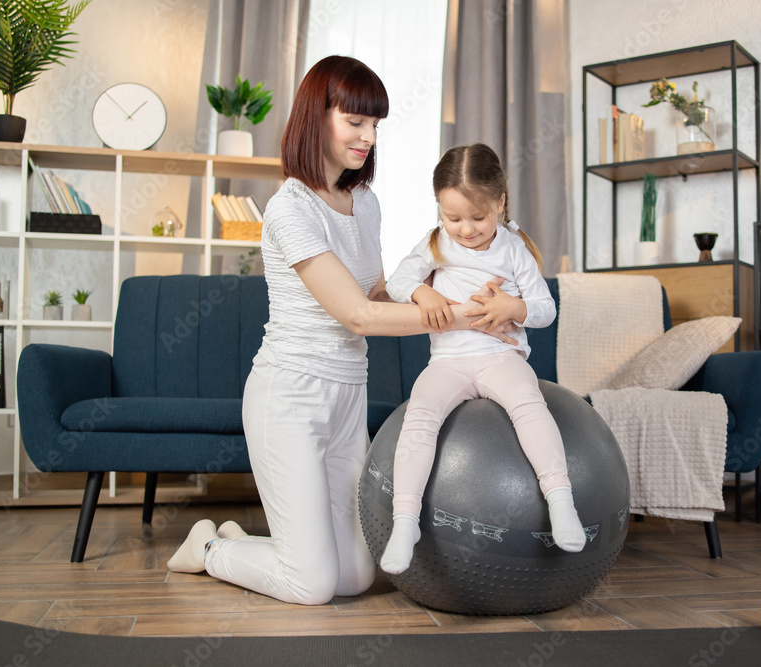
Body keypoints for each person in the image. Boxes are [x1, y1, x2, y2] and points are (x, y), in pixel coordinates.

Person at [167, 56, 510, 604]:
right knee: (312, 586)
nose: (368, 137)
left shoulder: (364, 203)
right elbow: (357, 315)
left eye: (375, 125)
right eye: (356, 122)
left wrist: (425, 290)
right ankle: (211, 548)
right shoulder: (289, 209)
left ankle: (250, 546)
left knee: (358, 576)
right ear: (316, 116)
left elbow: (376, 290)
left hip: (347, 399)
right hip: (289, 397)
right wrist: (465, 314)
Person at [378, 143, 586, 576]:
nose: (466, 229)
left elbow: (546, 308)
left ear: (501, 203)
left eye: (479, 217)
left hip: (499, 357)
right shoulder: (435, 243)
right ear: (439, 208)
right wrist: (424, 291)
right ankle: (404, 521)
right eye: (453, 218)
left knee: (529, 405)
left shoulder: (513, 249)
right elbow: (397, 279)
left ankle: (560, 499)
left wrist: (513, 308)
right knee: (420, 418)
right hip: (448, 364)